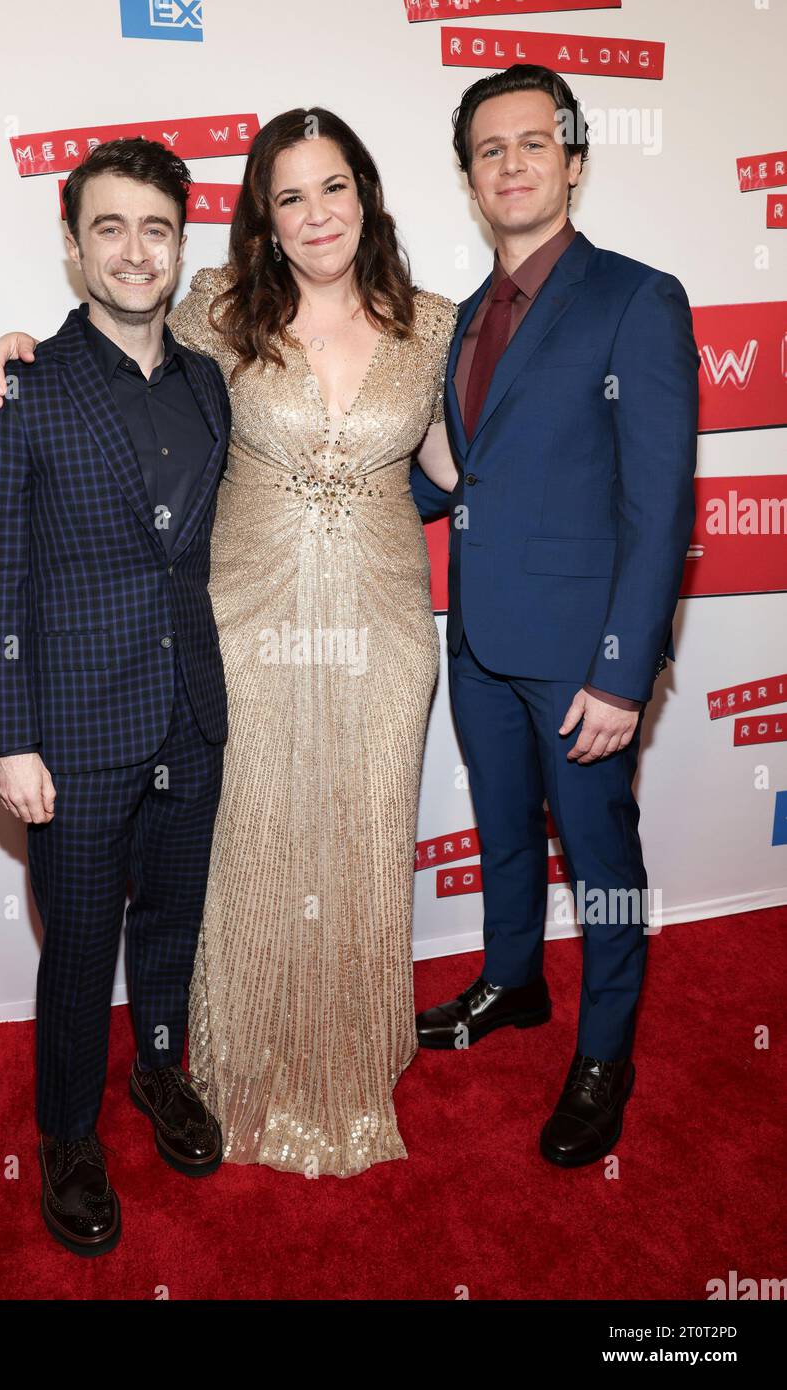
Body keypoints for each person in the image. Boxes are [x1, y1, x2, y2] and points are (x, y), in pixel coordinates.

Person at [0, 109, 458, 1177]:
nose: (316, 212)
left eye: (334, 188)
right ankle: (71, 1139)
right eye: (289, 195)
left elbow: (461, 464)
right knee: (97, 934)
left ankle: (179, 1066)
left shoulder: (412, 330)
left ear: (366, 195)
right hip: (190, 665)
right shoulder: (188, 329)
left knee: (209, 908)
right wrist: (6, 349)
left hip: (296, 662)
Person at [409, 64, 699, 1167]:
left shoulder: (637, 297)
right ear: (470, 177)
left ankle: (605, 1050)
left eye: (535, 143)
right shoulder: (465, 317)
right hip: (479, 640)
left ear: (574, 161)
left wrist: (624, 671)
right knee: (499, 835)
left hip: (584, 653)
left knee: (602, 857)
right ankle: (514, 982)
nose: (512, 164)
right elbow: (452, 477)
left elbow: (658, 499)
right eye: (490, 149)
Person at [0, 138, 231, 1256]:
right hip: (72, 731)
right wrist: (8, 744)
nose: (133, 249)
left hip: (192, 713)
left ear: (179, 243)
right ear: (74, 248)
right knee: (77, 942)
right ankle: (68, 1134)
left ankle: (158, 1070)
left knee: (170, 928)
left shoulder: (209, 380)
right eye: (108, 227)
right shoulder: (18, 385)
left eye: (155, 228)